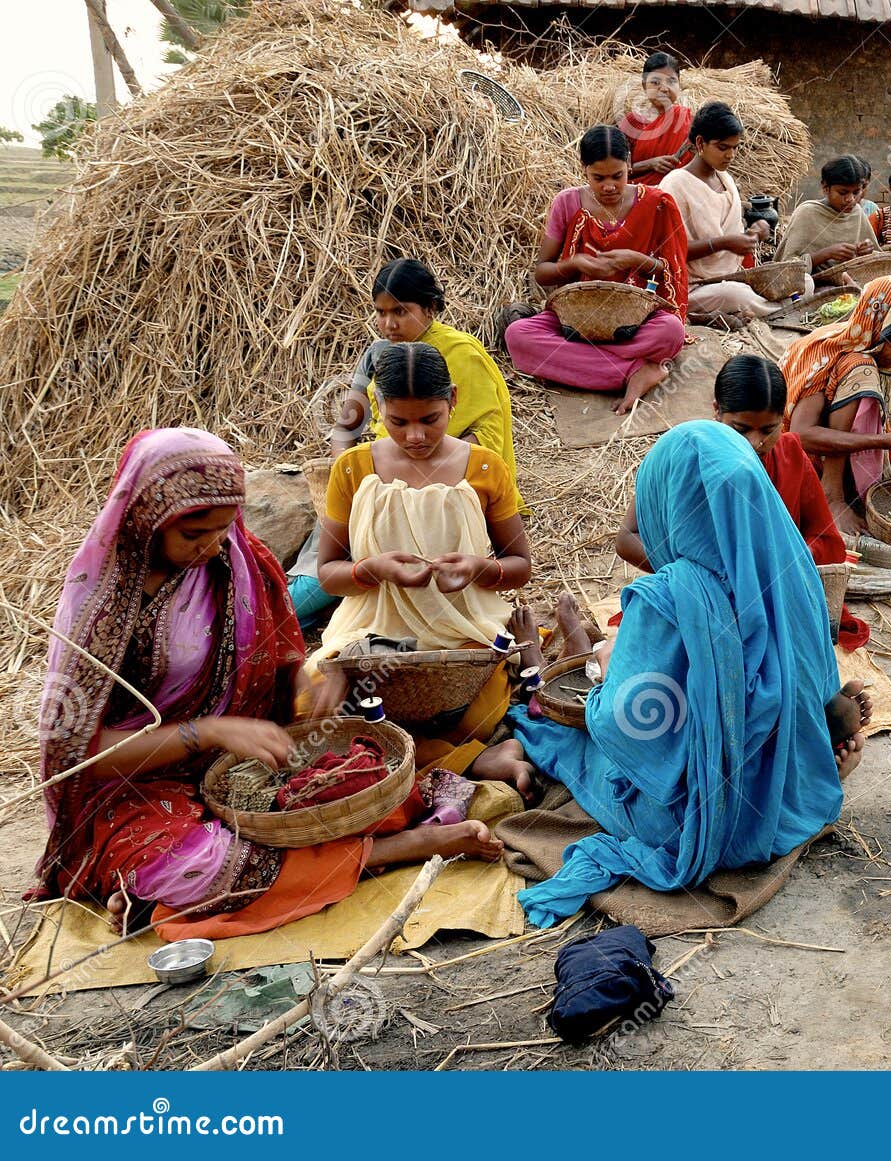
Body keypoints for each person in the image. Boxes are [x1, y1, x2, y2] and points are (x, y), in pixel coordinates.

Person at [29, 429, 502, 940]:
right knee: (198, 865)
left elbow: (278, 654)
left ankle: (162, 895)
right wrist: (205, 732)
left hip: (245, 760)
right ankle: (386, 852)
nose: (214, 545)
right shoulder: (99, 606)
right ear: (146, 519)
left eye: (224, 527)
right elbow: (76, 754)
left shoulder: (236, 556)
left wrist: (305, 682)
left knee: (364, 779)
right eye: (194, 534)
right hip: (140, 785)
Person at [506, 421, 872, 927]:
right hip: (779, 794)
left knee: (563, 737)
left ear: (670, 503)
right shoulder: (795, 572)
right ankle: (806, 777)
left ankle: (572, 651)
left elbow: (625, 725)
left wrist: (609, 672)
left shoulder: (666, 597)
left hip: (699, 822)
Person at [315, 343, 540, 794]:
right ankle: (477, 758)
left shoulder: (484, 467)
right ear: (378, 405)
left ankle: (447, 755)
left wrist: (478, 568)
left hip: (463, 633)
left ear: (452, 399)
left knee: (468, 707)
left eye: (430, 419)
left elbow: (520, 566)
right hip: (373, 633)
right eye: (398, 422)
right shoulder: (353, 469)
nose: (415, 436)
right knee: (315, 702)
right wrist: (375, 569)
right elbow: (328, 573)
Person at [294, 258, 526, 627]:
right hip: (377, 479)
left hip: (445, 485)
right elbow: (347, 426)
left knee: (315, 592)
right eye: (381, 312)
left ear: (430, 308)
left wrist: (427, 485)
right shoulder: (376, 357)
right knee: (314, 585)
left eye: (400, 311)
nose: (389, 323)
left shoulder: (460, 354)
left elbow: (487, 429)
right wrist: (351, 479)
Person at [504, 126, 689, 414]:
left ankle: (583, 364)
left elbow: (671, 272)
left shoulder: (656, 203)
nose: (609, 186)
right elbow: (542, 271)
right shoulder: (567, 203)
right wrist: (574, 263)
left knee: (671, 331)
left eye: (617, 176)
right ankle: (635, 370)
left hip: (635, 319)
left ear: (629, 165)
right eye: (598, 178)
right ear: (584, 170)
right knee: (518, 336)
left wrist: (636, 260)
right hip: (577, 317)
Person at [617, 355, 846, 572]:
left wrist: (790, 558)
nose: (754, 443)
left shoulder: (791, 457)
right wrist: (693, 579)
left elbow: (826, 540)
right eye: (741, 429)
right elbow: (627, 538)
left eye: (768, 430)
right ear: (717, 411)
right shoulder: (686, 458)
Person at [782, 275, 891, 537]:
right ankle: (832, 495)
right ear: (874, 324)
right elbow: (800, 436)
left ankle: (864, 491)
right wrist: (885, 441)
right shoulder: (828, 351)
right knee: (860, 368)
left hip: (870, 458)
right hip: (814, 459)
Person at [660, 102, 775, 320]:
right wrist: (723, 243)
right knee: (735, 295)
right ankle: (780, 309)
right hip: (695, 286)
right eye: (723, 148)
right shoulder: (675, 184)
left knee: (804, 281)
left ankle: (770, 306)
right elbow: (670, 251)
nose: (731, 155)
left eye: (735, 147)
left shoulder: (726, 179)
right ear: (700, 143)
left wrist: (755, 232)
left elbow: (733, 234)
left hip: (733, 277)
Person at [774, 156, 878, 282]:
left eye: (856, 192)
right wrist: (826, 254)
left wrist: (867, 250)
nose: (850, 199)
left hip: (853, 281)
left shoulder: (857, 212)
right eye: (843, 193)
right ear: (825, 188)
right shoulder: (807, 213)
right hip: (813, 285)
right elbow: (787, 268)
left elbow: (877, 260)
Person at [618, 52, 692, 187]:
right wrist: (651, 164)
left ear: (679, 84)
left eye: (671, 81)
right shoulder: (632, 123)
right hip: (640, 192)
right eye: (655, 82)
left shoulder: (688, 121)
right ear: (644, 86)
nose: (664, 88)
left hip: (681, 190)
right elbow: (617, 168)